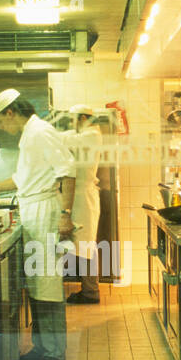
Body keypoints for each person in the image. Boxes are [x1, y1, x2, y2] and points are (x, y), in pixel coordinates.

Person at [0, 90, 76, 360]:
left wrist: (65, 214)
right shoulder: (30, 134)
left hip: (46, 214)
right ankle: (42, 347)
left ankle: (55, 354)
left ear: (11, 113)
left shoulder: (40, 132)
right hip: (34, 213)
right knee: (37, 286)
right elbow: (22, 179)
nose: (1, 127)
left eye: (1, 121)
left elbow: (68, 170)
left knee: (47, 285)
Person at [63, 104, 103, 304]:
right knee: (84, 246)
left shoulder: (92, 135)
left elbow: (67, 139)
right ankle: (88, 290)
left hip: (84, 198)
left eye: (73, 120)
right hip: (81, 196)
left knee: (86, 246)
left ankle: (90, 292)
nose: (72, 125)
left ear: (82, 119)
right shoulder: (87, 134)